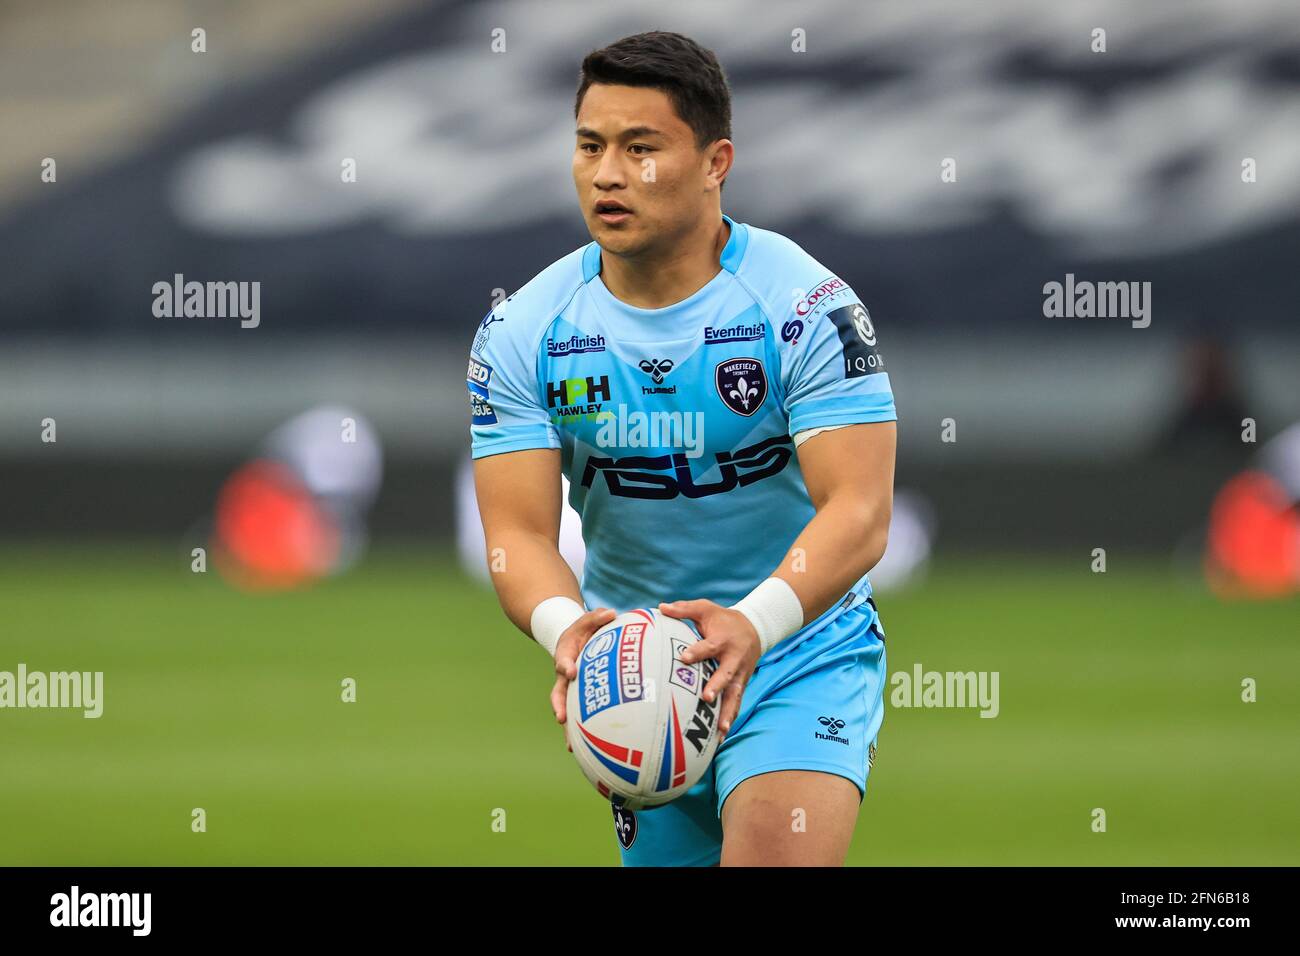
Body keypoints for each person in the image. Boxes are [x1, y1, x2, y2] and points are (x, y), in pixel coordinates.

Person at [468, 31, 897, 866]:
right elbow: (515, 532)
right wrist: (570, 634)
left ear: (715, 161)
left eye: (641, 147)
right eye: (590, 146)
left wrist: (755, 622)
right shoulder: (523, 330)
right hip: (635, 670)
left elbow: (862, 509)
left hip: (796, 648)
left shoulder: (805, 307)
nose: (607, 173)